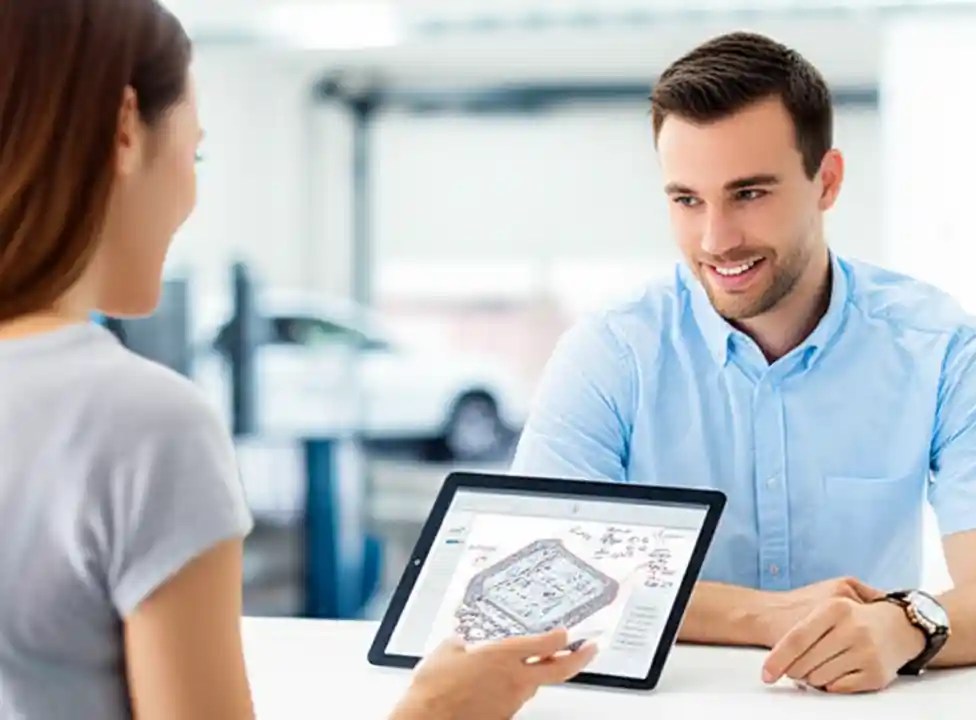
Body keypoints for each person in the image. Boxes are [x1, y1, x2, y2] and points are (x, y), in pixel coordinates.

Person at [0, 2, 593, 719]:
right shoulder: (140, 424)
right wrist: (439, 709)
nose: (190, 195)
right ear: (125, 127)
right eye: (196, 154)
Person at [511, 31, 976, 694]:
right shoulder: (610, 354)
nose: (716, 239)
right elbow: (537, 582)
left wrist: (906, 625)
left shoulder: (947, 351)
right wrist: (767, 615)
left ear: (826, 181)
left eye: (749, 194)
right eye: (686, 199)